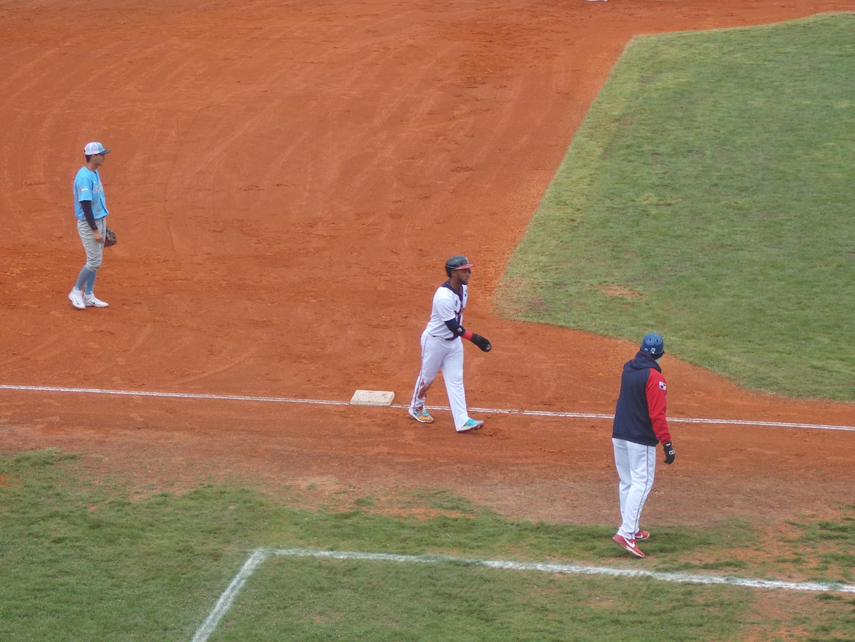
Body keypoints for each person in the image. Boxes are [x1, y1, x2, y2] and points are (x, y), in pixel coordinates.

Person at [408, 255, 492, 433]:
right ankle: (416, 407)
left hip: (453, 344)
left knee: (456, 380)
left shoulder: (463, 289)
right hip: (435, 342)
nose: (469, 273)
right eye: (464, 270)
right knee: (427, 378)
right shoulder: (443, 297)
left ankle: (462, 420)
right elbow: (453, 326)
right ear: (454, 273)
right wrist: (475, 338)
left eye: (469, 269)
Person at [611, 332, 676, 558]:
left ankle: (632, 527)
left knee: (627, 482)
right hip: (640, 439)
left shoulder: (628, 367)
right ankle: (626, 533)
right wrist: (667, 443)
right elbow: (657, 415)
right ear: (660, 354)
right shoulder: (654, 378)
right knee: (642, 482)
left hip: (619, 434)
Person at [68, 141, 111, 310]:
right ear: (93, 156)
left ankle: (89, 295)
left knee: (96, 261)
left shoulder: (94, 172)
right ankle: (76, 291)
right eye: (101, 154)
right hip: (89, 224)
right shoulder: (84, 177)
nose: (104, 156)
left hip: (99, 220)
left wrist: (102, 225)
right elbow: (85, 205)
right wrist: (95, 230)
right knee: (93, 262)